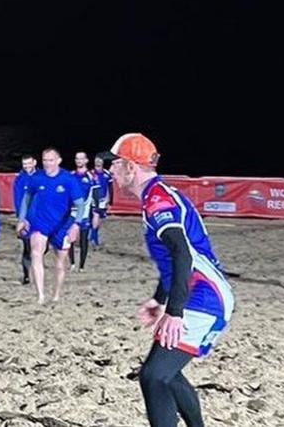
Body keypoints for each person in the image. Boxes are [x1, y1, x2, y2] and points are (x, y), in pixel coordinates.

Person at [99, 133, 235, 427]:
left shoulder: (158, 200)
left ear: (131, 168)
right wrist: (160, 299)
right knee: (168, 374)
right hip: (204, 291)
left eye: (114, 164)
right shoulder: (157, 194)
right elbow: (175, 260)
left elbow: (182, 254)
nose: (110, 170)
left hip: (205, 294)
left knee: (154, 376)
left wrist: (175, 311)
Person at [16, 149, 86, 304]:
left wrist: (76, 225)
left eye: (51, 160)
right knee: (36, 253)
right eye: (45, 160)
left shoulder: (68, 179)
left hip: (62, 224)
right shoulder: (37, 178)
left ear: (59, 161)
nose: (47, 163)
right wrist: (22, 218)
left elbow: (80, 204)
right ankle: (40, 295)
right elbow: (26, 198)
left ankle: (56, 295)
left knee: (60, 262)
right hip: (40, 222)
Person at [68, 151, 98, 272]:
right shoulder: (71, 176)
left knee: (84, 239)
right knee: (70, 238)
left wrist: (96, 213)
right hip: (71, 213)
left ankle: (82, 266)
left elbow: (96, 195)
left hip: (85, 213)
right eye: (77, 159)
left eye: (81, 159)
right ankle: (72, 264)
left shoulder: (91, 177)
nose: (79, 161)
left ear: (86, 160)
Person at [12, 155, 38, 285]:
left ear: (34, 163)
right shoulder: (20, 179)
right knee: (27, 247)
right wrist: (21, 218)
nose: (27, 166)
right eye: (24, 164)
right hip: (26, 219)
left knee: (41, 248)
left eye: (29, 163)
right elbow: (18, 199)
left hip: (40, 219)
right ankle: (27, 275)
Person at [88, 156, 113, 246]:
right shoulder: (90, 173)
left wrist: (110, 201)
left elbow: (110, 187)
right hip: (94, 197)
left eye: (100, 160)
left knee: (100, 218)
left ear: (103, 162)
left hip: (103, 198)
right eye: (96, 160)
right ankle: (94, 237)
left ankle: (93, 235)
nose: (98, 161)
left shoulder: (107, 174)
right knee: (95, 214)